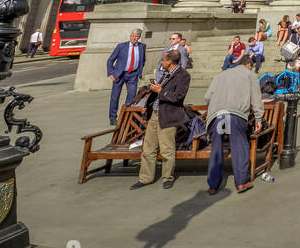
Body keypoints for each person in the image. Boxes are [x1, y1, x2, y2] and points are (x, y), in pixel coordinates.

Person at [204, 52, 264, 195]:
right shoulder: (250, 75)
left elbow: (207, 97)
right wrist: (258, 118)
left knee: (216, 149)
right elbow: (256, 98)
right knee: (239, 146)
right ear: (249, 65)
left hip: (217, 116)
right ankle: (242, 182)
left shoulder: (221, 75)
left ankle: (213, 185)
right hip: (235, 115)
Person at [132, 49, 190, 190]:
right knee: (148, 148)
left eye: (163, 60)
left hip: (169, 115)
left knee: (167, 149)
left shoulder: (183, 75)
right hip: (155, 114)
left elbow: (177, 97)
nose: (161, 62)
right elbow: (158, 95)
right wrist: (150, 99)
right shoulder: (165, 74)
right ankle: (146, 178)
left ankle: (167, 177)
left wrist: (160, 91)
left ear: (170, 61)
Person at [105, 28, 146, 124]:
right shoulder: (121, 46)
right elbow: (110, 60)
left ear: (139, 37)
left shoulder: (142, 46)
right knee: (115, 96)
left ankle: (125, 116)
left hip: (133, 74)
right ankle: (112, 117)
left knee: (132, 96)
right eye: (132, 36)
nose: (134, 38)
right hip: (120, 74)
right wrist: (112, 73)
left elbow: (143, 60)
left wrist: (138, 71)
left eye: (136, 37)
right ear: (130, 36)